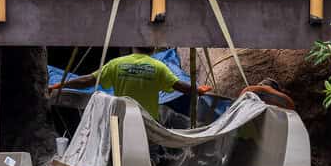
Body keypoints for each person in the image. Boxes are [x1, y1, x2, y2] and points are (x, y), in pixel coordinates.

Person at [48, 47, 210, 121]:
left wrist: (59, 85)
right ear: (153, 49)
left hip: (121, 120)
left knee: (119, 155)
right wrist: (198, 90)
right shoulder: (159, 67)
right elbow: (180, 86)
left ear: (134, 47)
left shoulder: (116, 64)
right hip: (147, 122)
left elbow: (86, 81)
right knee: (149, 155)